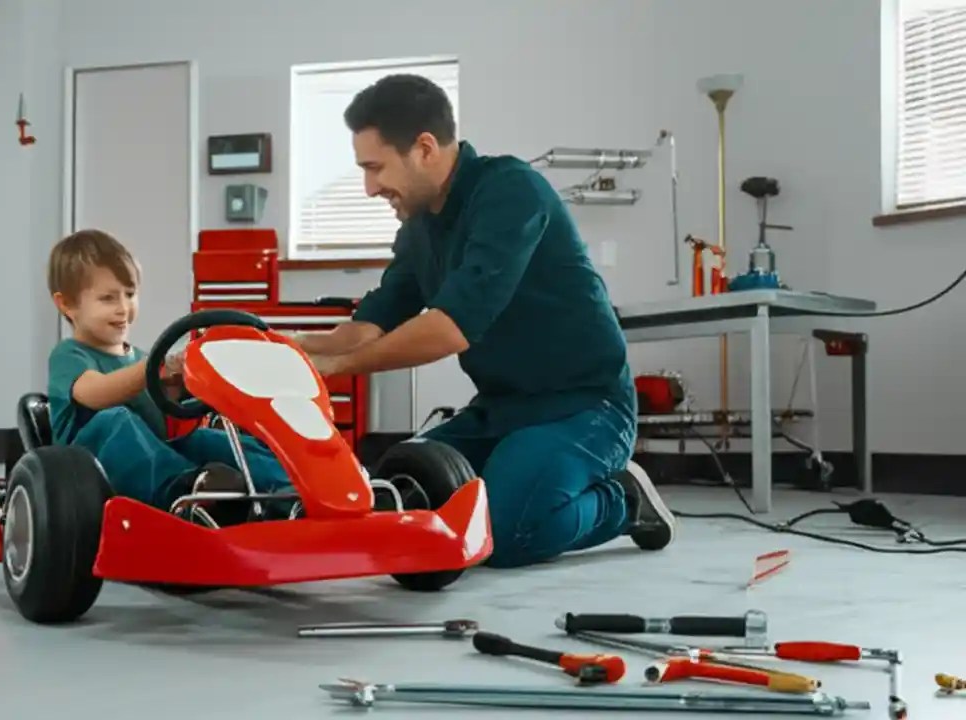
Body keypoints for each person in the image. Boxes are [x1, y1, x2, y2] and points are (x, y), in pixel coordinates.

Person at [294, 74, 676, 569]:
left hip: (586, 406)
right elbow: (371, 325)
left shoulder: (510, 192)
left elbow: (450, 327)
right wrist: (289, 346)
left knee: (507, 530)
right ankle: (526, 475)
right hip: (500, 409)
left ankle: (624, 500)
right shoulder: (419, 227)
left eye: (375, 167)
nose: (369, 189)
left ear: (424, 148)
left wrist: (335, 367)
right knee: (398, 490)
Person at [45, 229, 292, 523]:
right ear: (67, 304)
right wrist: (154, 369)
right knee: (116, 419)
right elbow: (96, 393)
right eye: (108, 298)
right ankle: (182, 495)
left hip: (153, 450)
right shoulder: (69, 355)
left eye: (130, 294)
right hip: (88, 467)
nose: (123, 308)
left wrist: (182, 382)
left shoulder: (140, 358)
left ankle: (286, 490)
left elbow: (162, 412)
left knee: (207, 438)